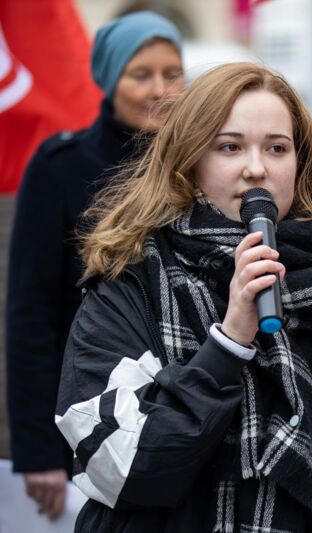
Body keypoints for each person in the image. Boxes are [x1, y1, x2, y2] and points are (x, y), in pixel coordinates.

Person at [54, 62, 312, 533]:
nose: (256, 168)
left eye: (277, 148)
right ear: (191, 160)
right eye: (230, 147)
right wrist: (229, 342)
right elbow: (121, 468)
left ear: (299, 163)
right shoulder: (129, 285)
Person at [5, 11, 184, 521]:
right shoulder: (60, 166)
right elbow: (31, 315)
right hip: (81, 417)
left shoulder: (200, 166)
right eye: (140, 74)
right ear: (109, 80)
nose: (160, 89)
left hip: (174, 419)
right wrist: (37, 451)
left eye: (172, 72)